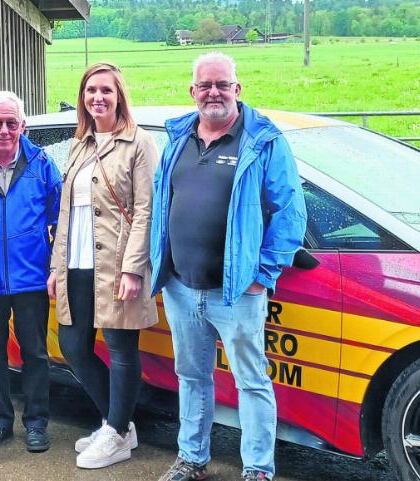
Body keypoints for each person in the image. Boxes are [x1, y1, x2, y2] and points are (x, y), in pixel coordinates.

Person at [151, 52, 306, 481]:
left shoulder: (262, 141)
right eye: (205, 85)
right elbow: (163, 202)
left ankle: (257, 469)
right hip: (181, 286)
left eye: (222, 84)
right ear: (193, 91)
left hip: (237, 291)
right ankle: (191, 459)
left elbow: (291, 211)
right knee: (191, 376)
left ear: (238, 89)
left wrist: (263, 275)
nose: (213, 92)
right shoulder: (179, 137)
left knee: (251, 382)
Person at [47, 62, 159, 470]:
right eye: (91, 90)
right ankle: (120, 425)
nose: (98, 97)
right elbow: (66, 212)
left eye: (106, 91)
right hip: (76, 262)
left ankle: (114, 431)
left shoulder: (139, 143)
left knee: (120, 349)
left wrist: (133, 268)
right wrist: (57, 267)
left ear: (119, 96)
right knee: (73, 346)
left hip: (115, 264)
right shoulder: (81, 143)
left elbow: (147, 210)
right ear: (83, 97)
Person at [0, 91, 61, 454]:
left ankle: (37, 423)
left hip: (31, 279)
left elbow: (60, 219)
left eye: (11, 123)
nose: (4, 130)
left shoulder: (42, 164)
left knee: (35, 354)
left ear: (23, 125)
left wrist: (53, 265)